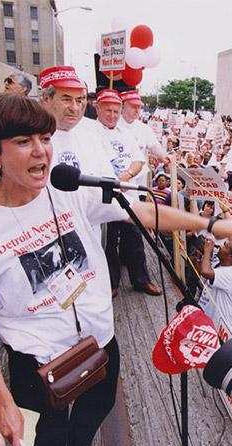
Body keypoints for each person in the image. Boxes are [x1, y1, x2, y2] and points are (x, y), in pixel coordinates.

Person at [0, 93, 232, 446]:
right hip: (38, 364)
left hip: (99, 340)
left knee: (95, 410)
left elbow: (142, 212)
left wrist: (211, 224)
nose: (41, 152)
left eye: (45, 139)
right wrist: (2, 401)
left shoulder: (65, 190)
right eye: (24, 142)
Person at [96, 89, 160, 297]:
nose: (112, 115)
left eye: (116, 111)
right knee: (109, 241)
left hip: (129, 193)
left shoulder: (126, 133)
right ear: (98, 109)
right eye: (108, 110)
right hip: (104, 197)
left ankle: (141, 279)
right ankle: (111, 283)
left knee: (135, 237)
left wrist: (127, 175)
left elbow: (138, 159)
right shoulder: (90, 132)